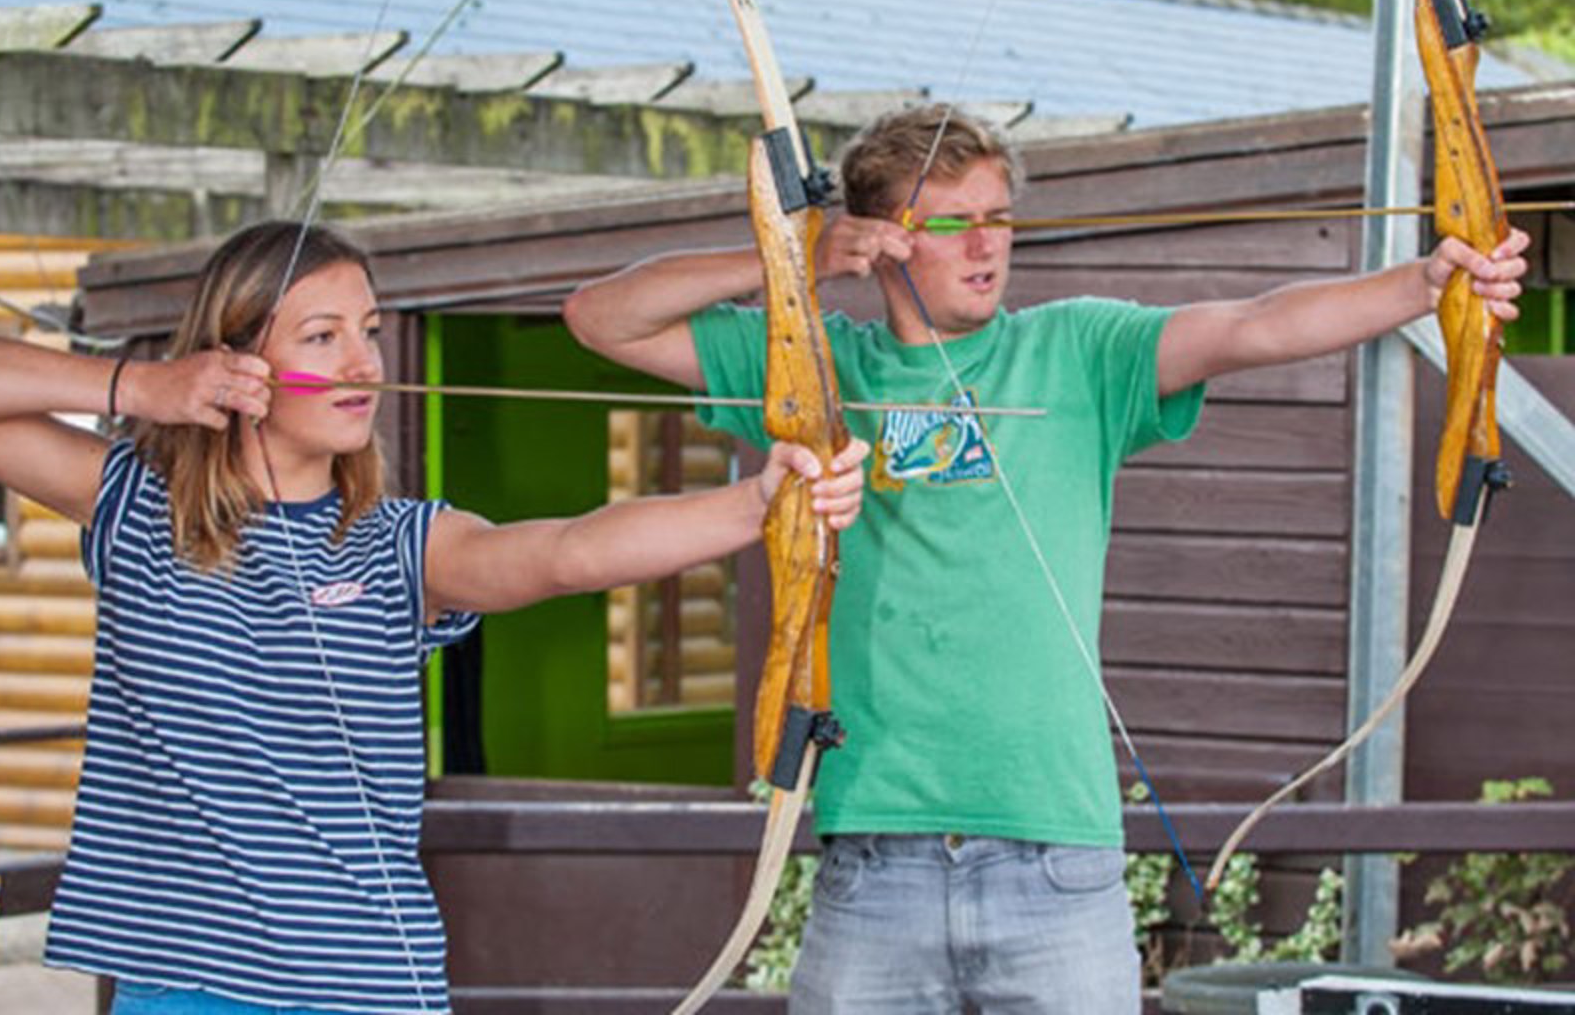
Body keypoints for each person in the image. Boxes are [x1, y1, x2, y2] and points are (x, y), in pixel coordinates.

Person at [561, 104, 1530, 1014]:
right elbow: (601, 318)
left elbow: (1254, 325)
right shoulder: (813, 366)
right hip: (875, 861)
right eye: (950, 225)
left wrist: (1423, 284)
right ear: (879, 238)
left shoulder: (1076, 351)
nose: (986, 244)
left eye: (999, 218)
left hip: (1055, 865)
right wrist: (793, 259)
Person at [0, 219, 868, 1015]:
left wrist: (757, 504)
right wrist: (143, 387)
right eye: (322, 337)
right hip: (182, 986)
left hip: (362, 981)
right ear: (237, 364)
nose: (364, 363)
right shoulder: (139, 507)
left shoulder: (398, 546)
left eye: (368, 331)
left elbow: (565, 552)